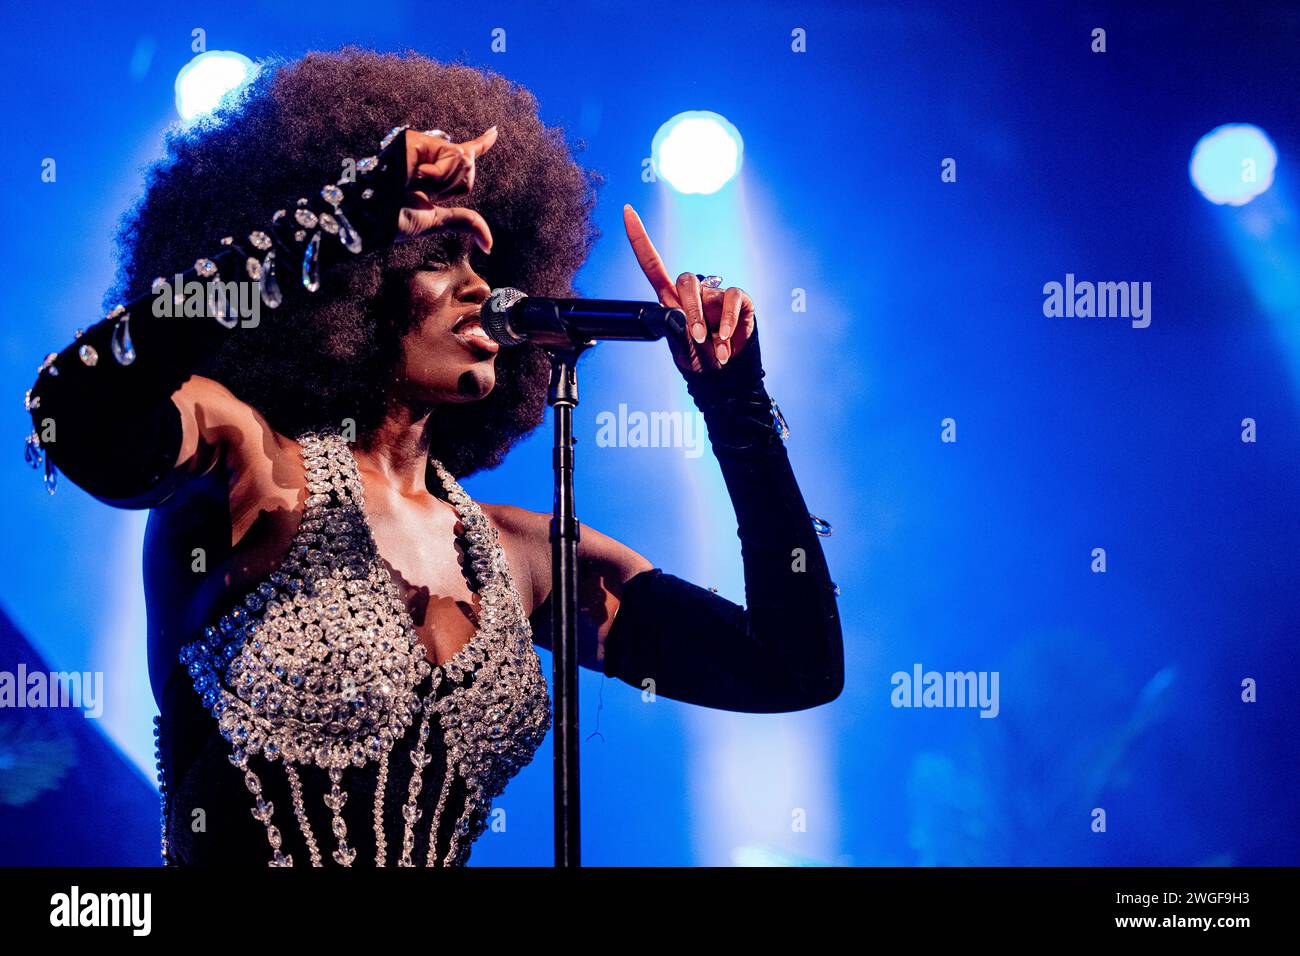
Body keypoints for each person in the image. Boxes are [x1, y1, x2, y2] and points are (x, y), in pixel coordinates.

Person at [23, 48, 842, 866]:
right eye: (436, 258)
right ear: (348, 286)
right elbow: (73, 412)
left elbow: (791, 669)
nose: (480, 287)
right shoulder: (246, 462)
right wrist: (332, 224)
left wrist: (735, 404)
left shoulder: (523, 555)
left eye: (485, 261)